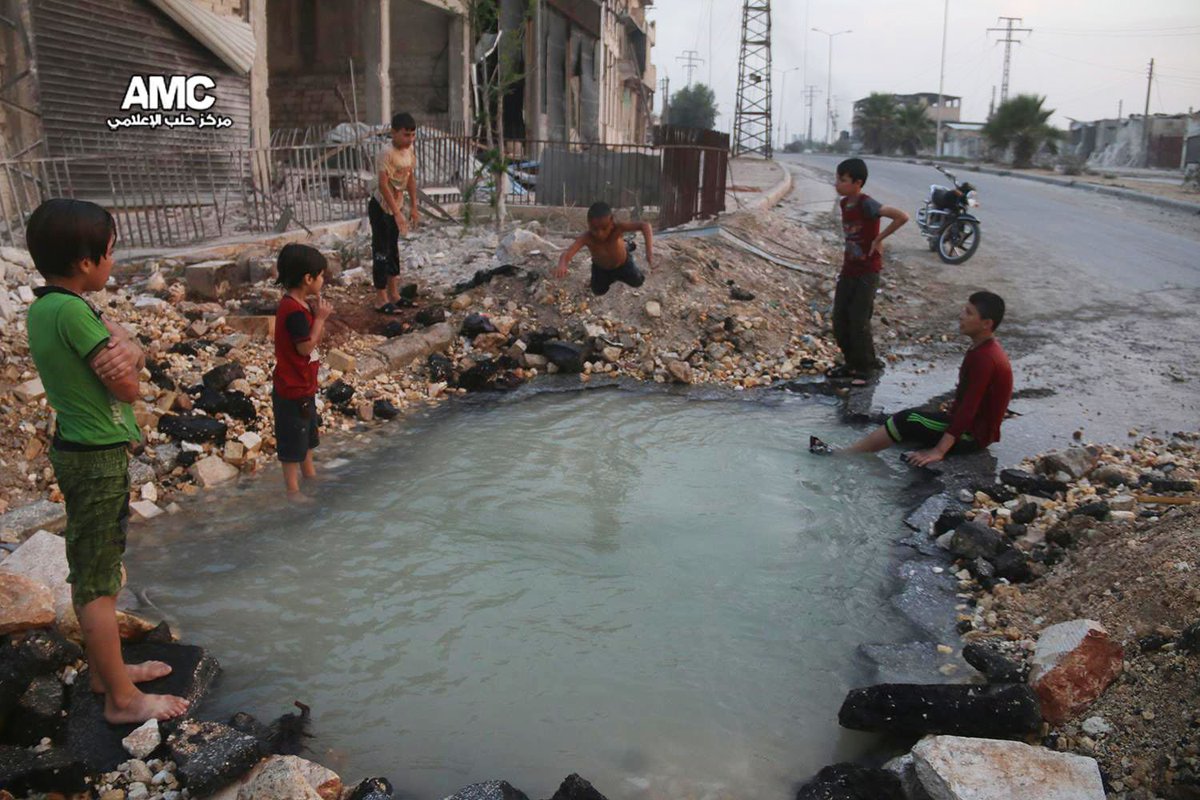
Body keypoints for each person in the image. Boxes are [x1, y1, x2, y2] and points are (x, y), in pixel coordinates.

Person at [25, 199, 189, 723]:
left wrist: (132, 346)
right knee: (97, 581)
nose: (113, 262)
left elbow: (125, 346)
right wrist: (131, 359)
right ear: (84, 261)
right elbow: (126, 384)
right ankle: (121, 699)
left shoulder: (46, 306)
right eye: (111, 252)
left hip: (78, 446)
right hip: (96, 456)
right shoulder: (74, 311)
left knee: (96, 567)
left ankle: (104, 672)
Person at [812, 291, 1013, 466]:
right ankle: (864, 448)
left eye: (969, 313)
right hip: (973, 428)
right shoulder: (983, 348)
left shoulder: (985, 358)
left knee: (906, 419)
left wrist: (939, 451)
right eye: (964, 309)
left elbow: (968, 409)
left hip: (973, 435)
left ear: (987, 324)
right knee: (904, 423)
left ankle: (842, 455)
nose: (961, 316)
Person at [829, 158, 909, 381]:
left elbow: (902, 216)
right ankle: (851, 363)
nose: (837, 184)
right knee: (839, 319)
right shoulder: (845, 204)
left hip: (867, 271)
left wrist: (879, 239)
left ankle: (866, 367)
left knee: (858, 320)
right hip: (849, 270)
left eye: (842, 180)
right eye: (838, 179)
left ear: (858, 182)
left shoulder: (867, 203)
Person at [273, 244, 333, 502]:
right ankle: (292, 490)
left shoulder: (299, 305)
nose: (323, 280)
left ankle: (309, 474)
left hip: (303, 387)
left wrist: (316, 316)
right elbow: (305, 347)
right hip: (292, 389)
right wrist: (320, 319)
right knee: (291, 443)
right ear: (308, 279)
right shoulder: (294, 311)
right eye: (321, 276)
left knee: (307, 435)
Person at [368, 111, 419, 314]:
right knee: (380, 251)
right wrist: (396, 213)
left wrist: (413, 206)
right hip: (382, 207)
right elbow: (383, 185)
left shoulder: (409, 152)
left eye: (412, 135)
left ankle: (394, 294)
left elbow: (410, 178)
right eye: (406, 135)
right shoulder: (386, 153)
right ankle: (381, 299)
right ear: (394, 133)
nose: (409, 139)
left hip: (397, 204)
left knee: (393, 249)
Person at [552, 201, 653, 295]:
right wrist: (562, 264)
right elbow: (568, 253)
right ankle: (626, 245)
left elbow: (645, 226)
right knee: (597, 292)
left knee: (638, 282)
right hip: (601, 268)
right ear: (588, 224)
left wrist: (649, 252)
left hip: (623, 264)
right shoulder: (586, 238)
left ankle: (627, 245)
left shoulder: (617, 229)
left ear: (611, 222)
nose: (600, 234)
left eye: (604, 228)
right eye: (594, 229)